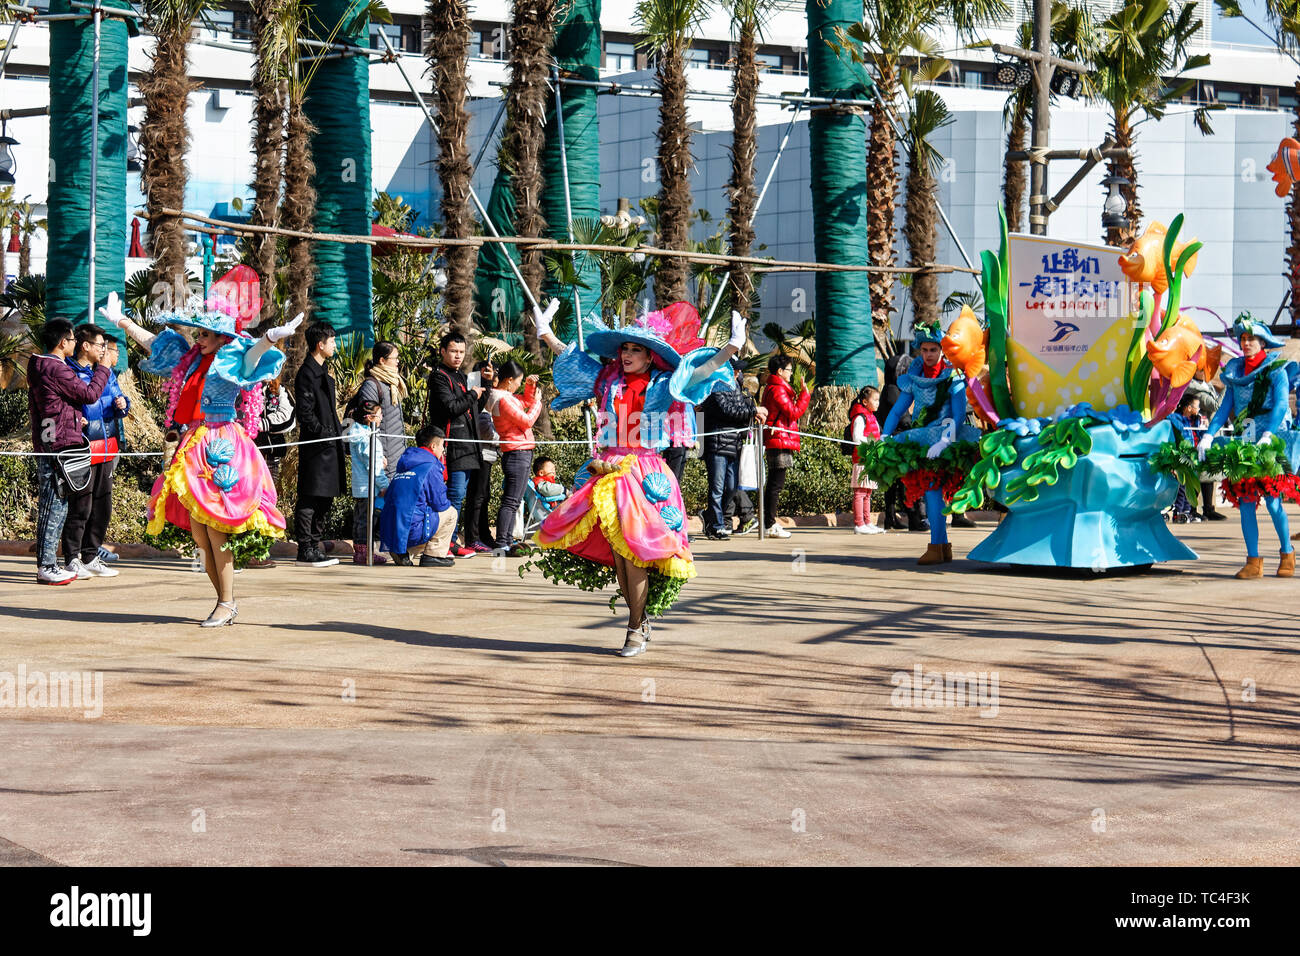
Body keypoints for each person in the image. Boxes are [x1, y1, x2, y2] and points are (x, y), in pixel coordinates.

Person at [532, 300, 743, 657]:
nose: (627, 354)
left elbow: (700, 372)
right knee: (619, 554)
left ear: (650, 357)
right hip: (606, 472)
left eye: (636, 349)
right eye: (625, 348)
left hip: (643, 473)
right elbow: (574, 363)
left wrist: (731, 348)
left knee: (634, 553)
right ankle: (639, 621)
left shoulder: (662, 385)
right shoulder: (606, 381)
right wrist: (546, 333)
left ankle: (634, 627)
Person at [101, 290, 299, 625]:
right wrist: (122, 321)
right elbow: (155, 344)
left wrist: (268, 338)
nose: (200, 339)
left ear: (222, 337)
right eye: (200, 333)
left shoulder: (232, 359)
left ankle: (227, 601)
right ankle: (224, 600)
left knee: (214, 526)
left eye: (206, 334)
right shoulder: (191, 359)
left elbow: (253, 356)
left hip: (220, 442)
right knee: (199, 533)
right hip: (192, 442)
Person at [1196, 314, 1300, 578]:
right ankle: (1253, 561)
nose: (1246, 343)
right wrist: (1208, 434)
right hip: (1244, 443)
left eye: (1251, 338)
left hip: (1270, 443)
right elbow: (1223, 409)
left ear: (1262, 341)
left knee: (1274, 501)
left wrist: (1269, 434)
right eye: (1242, 338)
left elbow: (1279, 405)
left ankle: (1287, 553)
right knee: (1245, 501)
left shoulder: (1276, 371)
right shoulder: (1233, 373)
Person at [879, 320, 981, 566]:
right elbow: (896, 411)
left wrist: (945, 441)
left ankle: (937, 546)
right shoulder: (914, 377)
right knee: (931, 490)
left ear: (942, 351)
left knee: (933, 491)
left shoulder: (952, 378)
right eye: (924, 350)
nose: (928, 355)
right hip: (923, 439)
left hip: (946, 439)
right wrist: (885, 434)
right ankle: (941, 546)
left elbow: (957, 415)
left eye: (933, 350)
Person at [27, 317, 112, 585]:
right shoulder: (55, 368)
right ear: (63, 342)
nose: (74, 344)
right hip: (57, 446)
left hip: (60, 440)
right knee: (53, 505)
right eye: (73, 340)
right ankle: (46, 565)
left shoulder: (48, 367)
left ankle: (50, 563)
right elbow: (88, 394)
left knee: (60, 504)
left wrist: (76, 420)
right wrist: (104, 369)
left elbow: (57, 404)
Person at [58, 323, 129, 578]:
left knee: (102, 505)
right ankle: (71, 557)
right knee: (81, 505)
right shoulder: (69, 373)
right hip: (84, 447)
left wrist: (123, 404)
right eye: (100, 345)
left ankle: (90, 555)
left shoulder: (106, 373)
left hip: (108, 446)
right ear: (85, 346)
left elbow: (119, 399)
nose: (104, 350)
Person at [425, 330, 483, 559]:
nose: (458, 356)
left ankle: (452, 540)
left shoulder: (460, 376)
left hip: (468, 444)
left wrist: (482, 385)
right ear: (442, 351)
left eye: (461, 351)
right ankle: (445, 542)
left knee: (460, 494)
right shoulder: (439, 376)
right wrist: (472, 395)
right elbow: (451, 407)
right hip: (451, 445)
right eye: (453, 351)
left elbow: (473, 407)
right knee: (453, 495)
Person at [293, 322, 344, 567]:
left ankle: (316, 543)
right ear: (320, 344)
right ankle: (305, 547)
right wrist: (324, 434)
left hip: (330, 444)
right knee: (311, 497)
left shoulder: (325, 374)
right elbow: (305, 413)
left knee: (325, 498)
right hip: (317, 446)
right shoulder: (307, 374)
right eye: (331, 341)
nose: (335, 345)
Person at [699, 359, 767, 540]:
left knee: (731, 487)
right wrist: (754, 411)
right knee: (717, 488)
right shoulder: (714, 387)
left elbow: (742, 408)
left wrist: (752, 412)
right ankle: (716, 525)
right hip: (716, 443)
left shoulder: (738, 387)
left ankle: (710, 516)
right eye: (734, 370)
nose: (737, 373)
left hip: (734, 444)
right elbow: (728, 410)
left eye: (738, 370)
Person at [380, 424, 456, 568]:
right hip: (413, 529)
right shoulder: (431, 466)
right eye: (442, 447)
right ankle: (433, 556)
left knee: (423, 511)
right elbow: (440, 503)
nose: (443, 451)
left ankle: (403, 551)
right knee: (451, 513)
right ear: (433, 446)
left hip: (390, 530)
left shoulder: (405, 463)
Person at [489, 359, 542, 555]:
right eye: (519, 381)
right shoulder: (503, 400)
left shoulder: (506, 396)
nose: (519, 385)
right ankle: (502, 541)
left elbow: (524, 401)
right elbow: (527, 420)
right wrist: (538, 403)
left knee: (514, 499)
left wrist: (529, 386)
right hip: (516, 452)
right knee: (511, 500)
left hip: (519, 451)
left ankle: (508, 540)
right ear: (509, 380)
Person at [760, 354, 811, 539]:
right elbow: (793, 412)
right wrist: (805, 394)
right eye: (789, 370)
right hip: (778, 439)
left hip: (779, 438)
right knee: (775, 484)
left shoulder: (774, 387)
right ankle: (769, 523)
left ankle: (769, 522)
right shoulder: (778, 390)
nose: (791, 373)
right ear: (780, 371)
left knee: (775, 483)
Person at [879, 348, 926, 532]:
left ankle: (890, 518)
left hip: (895, 441)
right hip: (898, 443)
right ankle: (913, 519)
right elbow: (902, 418)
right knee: (906, 482)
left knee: (895, 484)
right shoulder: (892, 390)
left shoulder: (893, 389)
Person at [342, 399, 391, 565]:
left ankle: (360, 551)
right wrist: (384, 485)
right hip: (369, 487)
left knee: (360, 518)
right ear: (370, 418)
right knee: (367, 520)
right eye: (379, 415)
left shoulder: (358, 434)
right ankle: (364, 552)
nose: (382, 418)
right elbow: (374, 465)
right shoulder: (368, 437)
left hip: (359, 486)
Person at [355, 341, 407, 482]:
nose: (398, 362)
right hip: (383, 457)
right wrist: (377, 455)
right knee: (377, 500)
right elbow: (368, 421)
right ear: (382, 361)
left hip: (396, 455)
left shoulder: (392, 383)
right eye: (394, 358)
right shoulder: (372, 385)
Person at [463, 359, 499, 553]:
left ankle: (483, 535)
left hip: (487, 454)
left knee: (484, 496)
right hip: (479, 452)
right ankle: (472, 537)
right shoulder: (476, 396)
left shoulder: (489, 396)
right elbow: (484, 426)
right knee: (476, 496)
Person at [1184, 367, 1225, 521]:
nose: (1205, 371)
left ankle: (1208, 508)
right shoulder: (1196, 390)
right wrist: (1228, 386)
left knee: (1208, 473)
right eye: (1201, 369)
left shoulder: (1207, 386)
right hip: (1198, 435)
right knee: (1196, 473)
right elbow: (1215, 406)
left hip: (1208, 434)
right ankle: (1192, 508)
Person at [848, 385, 884, 535]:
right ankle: (859, 523)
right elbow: (857, 437)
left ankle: (868, 522)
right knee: (860, 492)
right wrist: (873, 443)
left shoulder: (872, 416)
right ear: (864, 401)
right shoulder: (859, 417)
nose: (877, 403)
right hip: (862, 458)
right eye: (874, 400)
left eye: (878, 400)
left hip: (870, 458)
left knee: (868, 493)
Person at [254, 372, 295, 484]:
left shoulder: (280, 390)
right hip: (249, 452)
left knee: (268, 491)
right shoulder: (247, 387)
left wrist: (261, 424)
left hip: (271, 455)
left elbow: (288, 417)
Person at [1167, 394, 1202, 524]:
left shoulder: (1195, 420)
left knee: (1191, 485)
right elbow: (1176, 425)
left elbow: (1200, 434)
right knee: (1182, 486)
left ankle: (1187, 511)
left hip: (1194, 456)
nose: (1199, 410)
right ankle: (1178, 511)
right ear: (1188, 408)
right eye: (1197, 407)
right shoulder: (1176, 418)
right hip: (1183, 456)